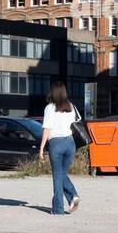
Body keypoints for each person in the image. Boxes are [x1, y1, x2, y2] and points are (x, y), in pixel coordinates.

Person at [38, 82, 81, 215]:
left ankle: (58, 209)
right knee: (61, 174)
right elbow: (78, 122)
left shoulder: (50, 108)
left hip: (56, 143)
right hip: (70, 143)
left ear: (53, 92)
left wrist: (41, 148)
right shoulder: (71, 106)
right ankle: (72, 197)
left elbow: (47, 129)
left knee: (57, 176)